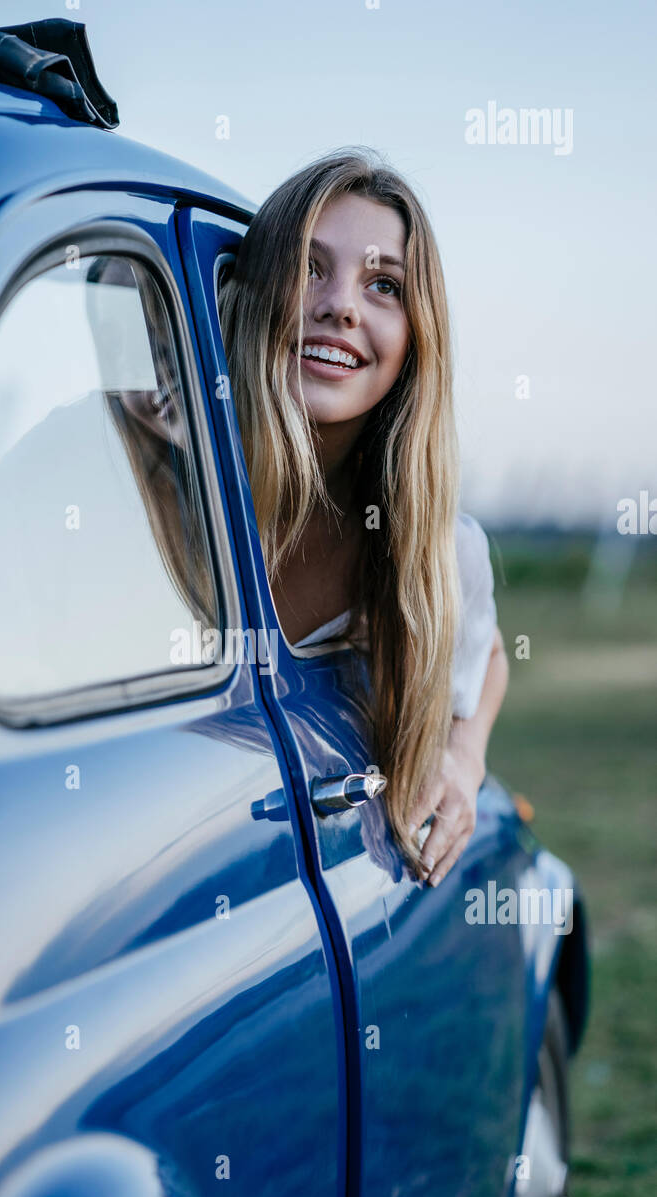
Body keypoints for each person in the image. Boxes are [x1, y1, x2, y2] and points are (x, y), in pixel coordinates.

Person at [217, 147, 509, 884]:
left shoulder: (438, 551)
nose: (341, 304)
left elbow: (486, 651)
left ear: (416, 340)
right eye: (309, 267)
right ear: (251, 292)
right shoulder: (148, 472)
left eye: (384, 285)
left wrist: (464, 757)